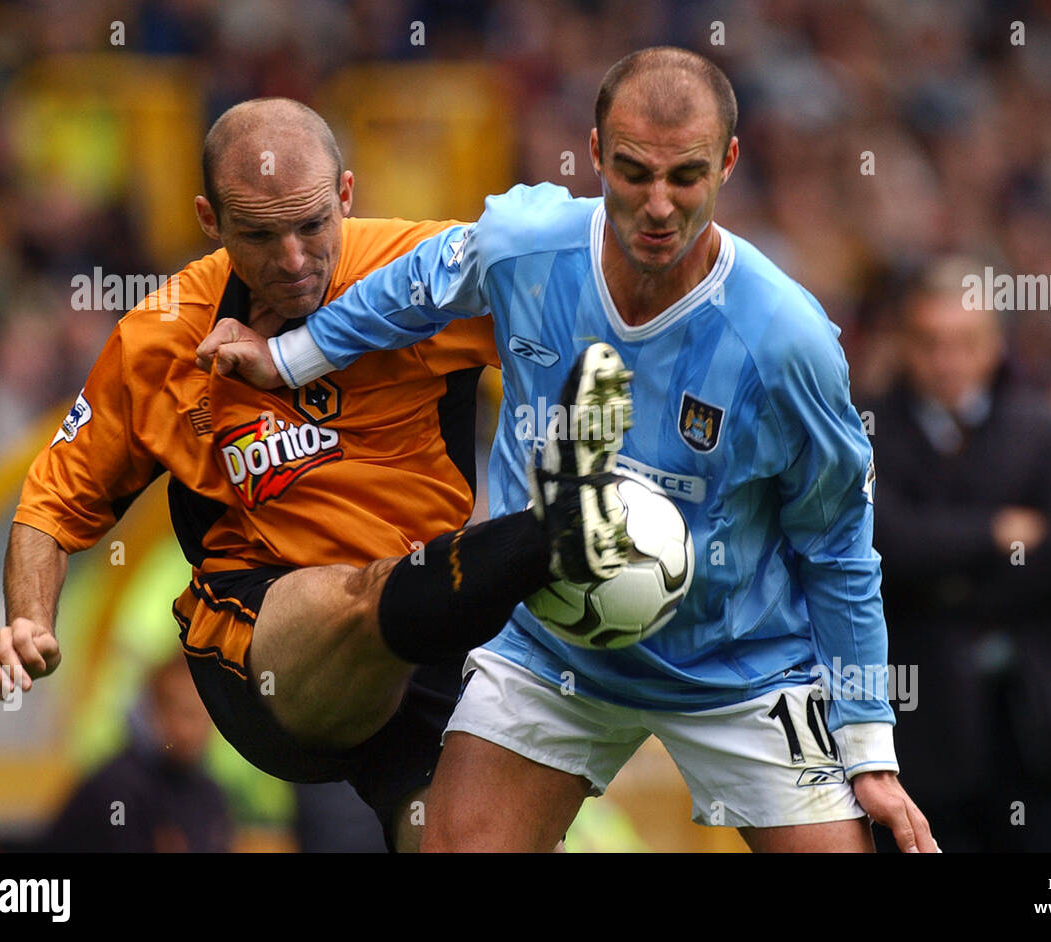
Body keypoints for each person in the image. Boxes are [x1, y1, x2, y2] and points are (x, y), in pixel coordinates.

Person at [198, 48, 935, 853]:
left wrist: (869, 747)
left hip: (740, 664)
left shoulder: (786, 340)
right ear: (594, 154)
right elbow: (410, 291)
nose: (658, 206)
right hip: (551, 648)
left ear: (728, 161)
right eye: (633, 173)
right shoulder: (524, 243)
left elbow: (837, 546)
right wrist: (291, 357)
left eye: (685, 177)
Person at [0, 98, 632, 852]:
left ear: (346, 197)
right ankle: (555, 532)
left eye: (312, 225)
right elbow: (48, 507)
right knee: (365, 598)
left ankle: (552, 535)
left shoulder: (423, 275)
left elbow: (587, 295)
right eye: (259, 233)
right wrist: (28, 619)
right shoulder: (158, 340)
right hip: (266, 645)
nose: (292, 261)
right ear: (209, 219)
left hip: (435, 646)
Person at [861, 262, 1051, 852]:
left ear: (993, 345)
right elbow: (879, 545)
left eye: (964, 343)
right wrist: (995, 531)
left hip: (1039, 727)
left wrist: (943, 572)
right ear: (903, 343)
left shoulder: (1042, 430)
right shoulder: (867, 431)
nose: (946, 361)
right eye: (929, 343)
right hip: (921, 737)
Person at [38, 656, 232, 853]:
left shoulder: (210, 796)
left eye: (205, 715)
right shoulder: (117, 788)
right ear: (154, 712)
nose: (195, 730)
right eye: (185, 714)